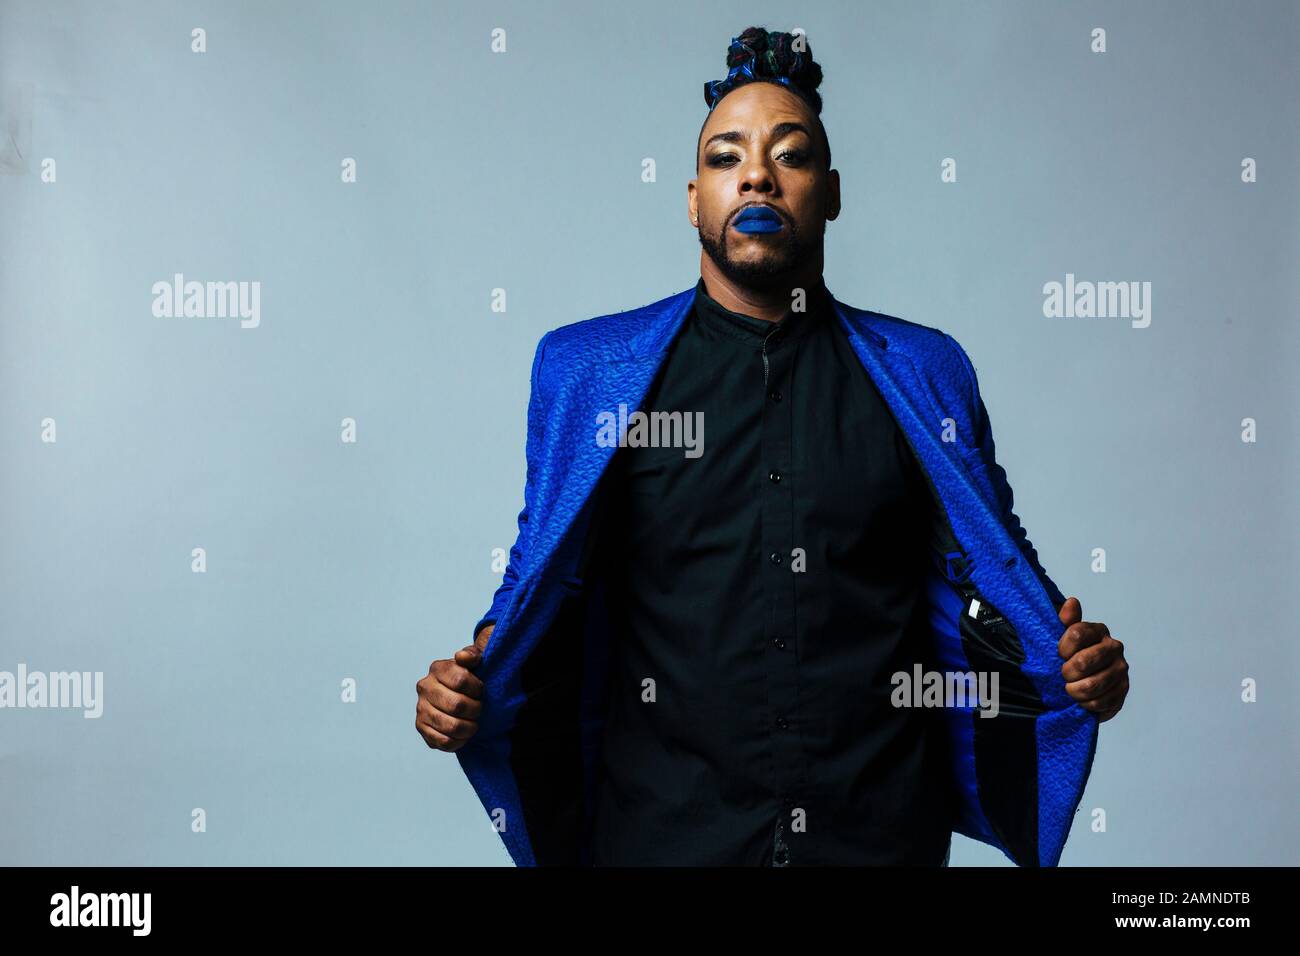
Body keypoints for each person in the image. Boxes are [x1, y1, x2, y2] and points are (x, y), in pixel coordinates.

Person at [416, 26, 1129, 867]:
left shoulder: (927, 374)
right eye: (726, 158)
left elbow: (998, 575)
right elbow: (541, 574)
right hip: (662, 840)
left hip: (878, 840)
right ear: (692, 198)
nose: (756, 173)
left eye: (788, 156)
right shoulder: (587, 375)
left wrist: (1071, 669)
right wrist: (468, 681)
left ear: (830, 194)